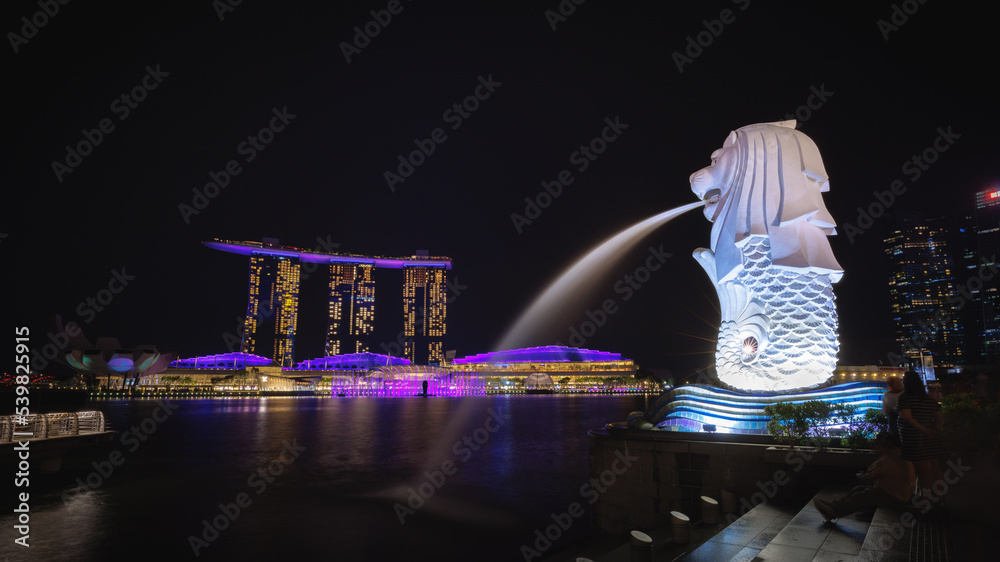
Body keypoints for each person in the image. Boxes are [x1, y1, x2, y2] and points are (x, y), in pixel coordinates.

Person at [813, 431, 912, 521]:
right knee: (859, 489)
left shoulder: (890, 458)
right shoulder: (893, 455)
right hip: (892, 494)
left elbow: (872, 472)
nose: (876, 447)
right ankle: (833, 506)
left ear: (883, 445)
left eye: (878, 445)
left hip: (896, 498)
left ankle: (834, 512)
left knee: (866, 494)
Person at [896, 370, 944, 505]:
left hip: (914, 439)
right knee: (935, 466)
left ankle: (927, 498)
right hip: (931, 438)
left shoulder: (905, 398)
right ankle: (939, 496)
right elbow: (939, 417)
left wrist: (924, 430)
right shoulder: (929, 400)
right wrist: (935, 430)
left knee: (924, 469)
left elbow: (907, 416)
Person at [882, 376, 903, 443]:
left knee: (897, 439)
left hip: (894, 420)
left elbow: (886, 411)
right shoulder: (905, 393)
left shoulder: (886, 395)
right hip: (906, 419)